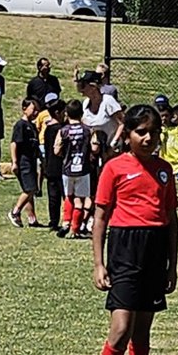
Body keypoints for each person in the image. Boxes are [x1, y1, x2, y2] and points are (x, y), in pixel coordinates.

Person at [82, 104, 178, 355]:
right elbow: (100, 218)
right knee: (121, 328)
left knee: (142, 332)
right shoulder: (114, 168)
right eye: (141, 132)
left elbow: (171, 221)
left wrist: (172, 266)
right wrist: (98, 263)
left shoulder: (165, 171)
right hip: (125, 249)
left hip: (154, 251)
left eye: (154, 133)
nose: (148, 138)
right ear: (129, 136)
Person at [54, 98, 93, 237]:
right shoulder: (87, 130)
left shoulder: (63, 131)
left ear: (66, 113)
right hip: (83, 169)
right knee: (80, 200)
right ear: (81, 113)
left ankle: (65, 222)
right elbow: (94, 148)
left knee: (68, 196)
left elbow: (56, 150)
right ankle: (75, 228)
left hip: (67, 168)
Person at [78, 70, 123, 174]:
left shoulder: (108, 101)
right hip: (93, 151)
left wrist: (113, 144)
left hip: (110, 150)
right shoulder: (85, 104)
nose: (81, 88)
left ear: (93, 87)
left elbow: (122, 123)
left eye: (84, 85)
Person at [8, 96, 42, 228]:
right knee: (30, 189)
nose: (36, 112)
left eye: (37, 110)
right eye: (33, 109)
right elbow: (14, 144)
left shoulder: (32, 126)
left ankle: (32, 218)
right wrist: (15, 162)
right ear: (24, 109)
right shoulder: (20, 125)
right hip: (23, 162)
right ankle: (15, 212)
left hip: (32, 160)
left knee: (29, 190)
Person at [40, 92, 64, 231]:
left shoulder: (48, 129)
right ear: (57, 112)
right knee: (66, 196)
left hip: (49, 166)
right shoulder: (60, 130)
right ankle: (68, 219)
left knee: (53, 196)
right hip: (60, 166)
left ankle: (53, 221)